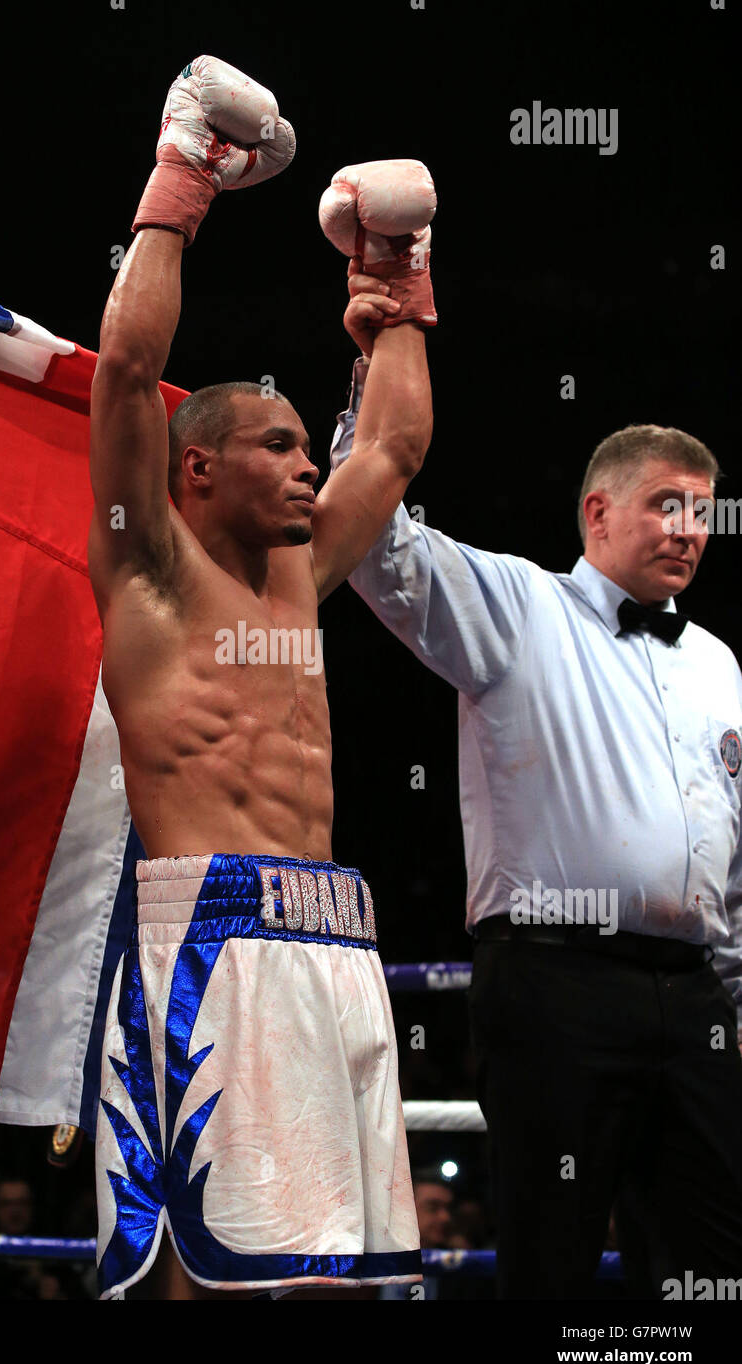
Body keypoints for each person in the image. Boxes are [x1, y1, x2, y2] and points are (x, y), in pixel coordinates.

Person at [87, 56, 436, 1298]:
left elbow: (391, 444)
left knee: (330, 1278)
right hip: (207, 944)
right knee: (204, 1278)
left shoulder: (298, 574)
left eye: (305, 447)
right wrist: (183, 178)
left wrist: (395, 278)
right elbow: (125, 379)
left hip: (333, 935)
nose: (308, 467)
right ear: (194, 473)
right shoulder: (148, 576)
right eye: (278, 445)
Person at [330, 315, 742, 1298]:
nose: (688, 531)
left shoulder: (720, 662)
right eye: (666, 507)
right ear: (597, 513)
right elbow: (373, 550)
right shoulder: (519, 608)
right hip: (557, 988)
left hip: (696, 1001)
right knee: (550, 1253)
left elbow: (725, 854)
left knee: (708, 1264)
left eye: (702, 512)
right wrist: (377, 368)